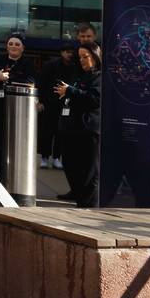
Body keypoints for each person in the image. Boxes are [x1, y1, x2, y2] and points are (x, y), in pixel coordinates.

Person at [0, 32, 38, 184]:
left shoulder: (28, 64)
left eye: (17, 44)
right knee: (0, 145)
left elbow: (31, 81)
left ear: (23, 48)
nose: (13, 47)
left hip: (19, 111)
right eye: (11, 44)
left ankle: (16, 179)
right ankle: (1, 178)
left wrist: (11, 78)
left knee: (16, 145)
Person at [55, 42, 102, 208]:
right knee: (71, 168)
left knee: (88, 175)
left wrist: (70, 91)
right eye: (80, 57)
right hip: (71, 130)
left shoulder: (99, 76)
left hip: (88, 131)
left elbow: (95, 99)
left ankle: (88, 207)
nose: (82, 60)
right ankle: (81, 202)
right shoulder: (79, 75)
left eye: (86, 57)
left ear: (95, 57)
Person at [38, 42, 79, 176]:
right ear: (61, 53)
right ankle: (44, 157)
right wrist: (40, 101)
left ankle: (56, 157)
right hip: (50, 103)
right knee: (46, 131)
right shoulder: (51, 65)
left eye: (71, 52)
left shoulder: (76, 67)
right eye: (66, 52)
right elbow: (42, 83)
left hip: (66, 104)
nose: (69, 54)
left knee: (61, 132)